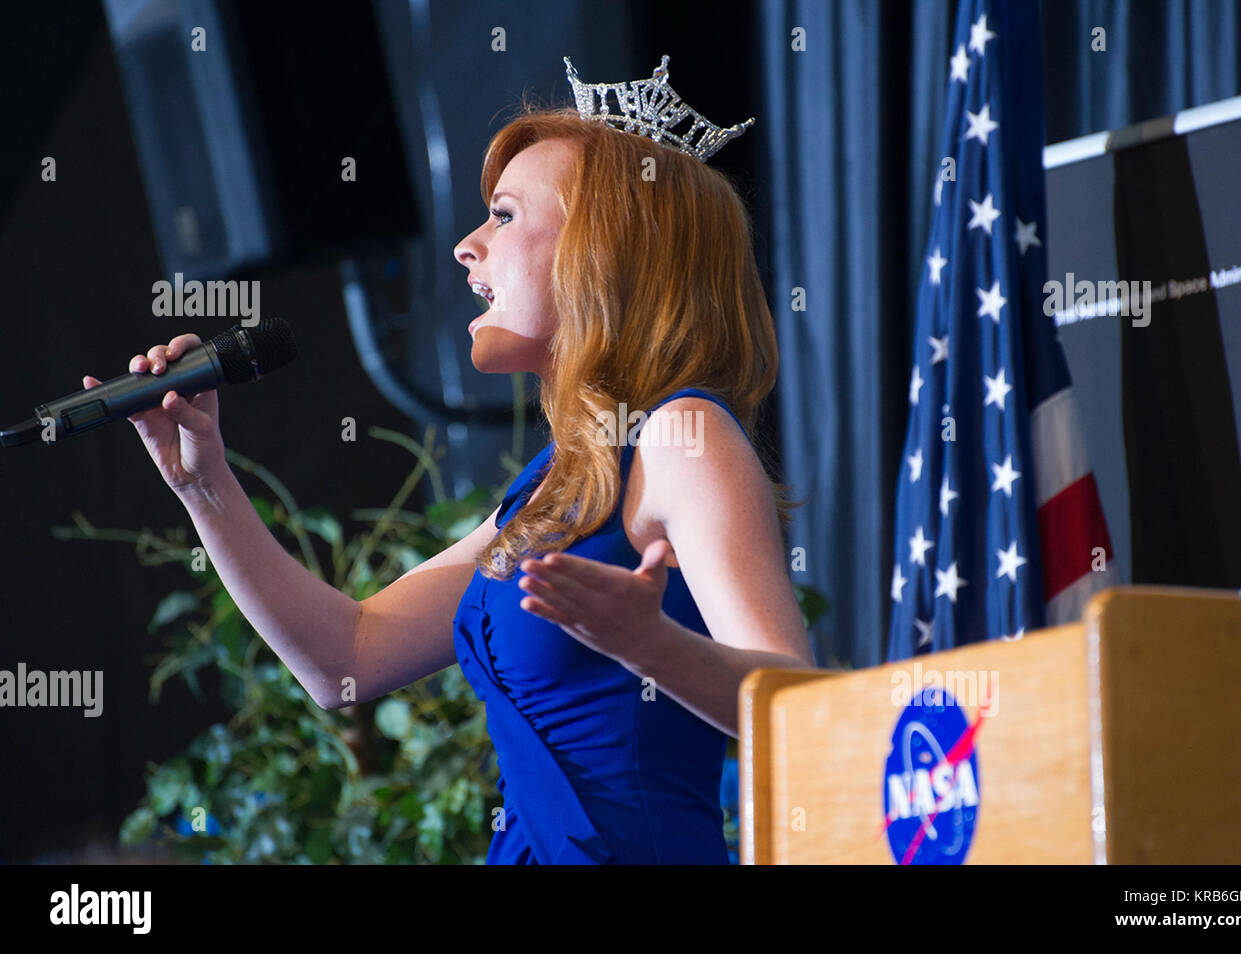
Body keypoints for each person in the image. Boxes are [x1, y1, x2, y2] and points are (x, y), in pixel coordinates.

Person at [84, 77, 816, 864]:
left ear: (606, 247)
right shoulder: (552, 485)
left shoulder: (682, 434)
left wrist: (651, 645)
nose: (467, 244)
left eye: (504, 215)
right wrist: (202, 483)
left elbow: (803, 710)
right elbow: (348, 659)